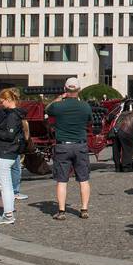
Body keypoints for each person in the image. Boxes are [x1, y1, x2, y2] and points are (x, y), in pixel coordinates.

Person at [46, 77, 93, 220]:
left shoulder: (58, 106)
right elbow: (89, 121)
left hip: (63, 146)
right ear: (78, 90)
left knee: (62, 180)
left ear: (65, 89)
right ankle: (84, 209)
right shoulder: (85, 106)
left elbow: (48, 109)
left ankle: (61, 211)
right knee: (83, 179)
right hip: (80, 145)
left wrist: (60, 98)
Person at [0, 88, 26, 227]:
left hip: (5, 151)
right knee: (6, 185)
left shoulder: (12, 116)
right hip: (10, 151)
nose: (0, 104)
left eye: (2, 101)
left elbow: (9, 135)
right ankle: (8, 212)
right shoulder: (15, 114)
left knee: (5, 186)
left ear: (9, 100)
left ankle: (8, 214)